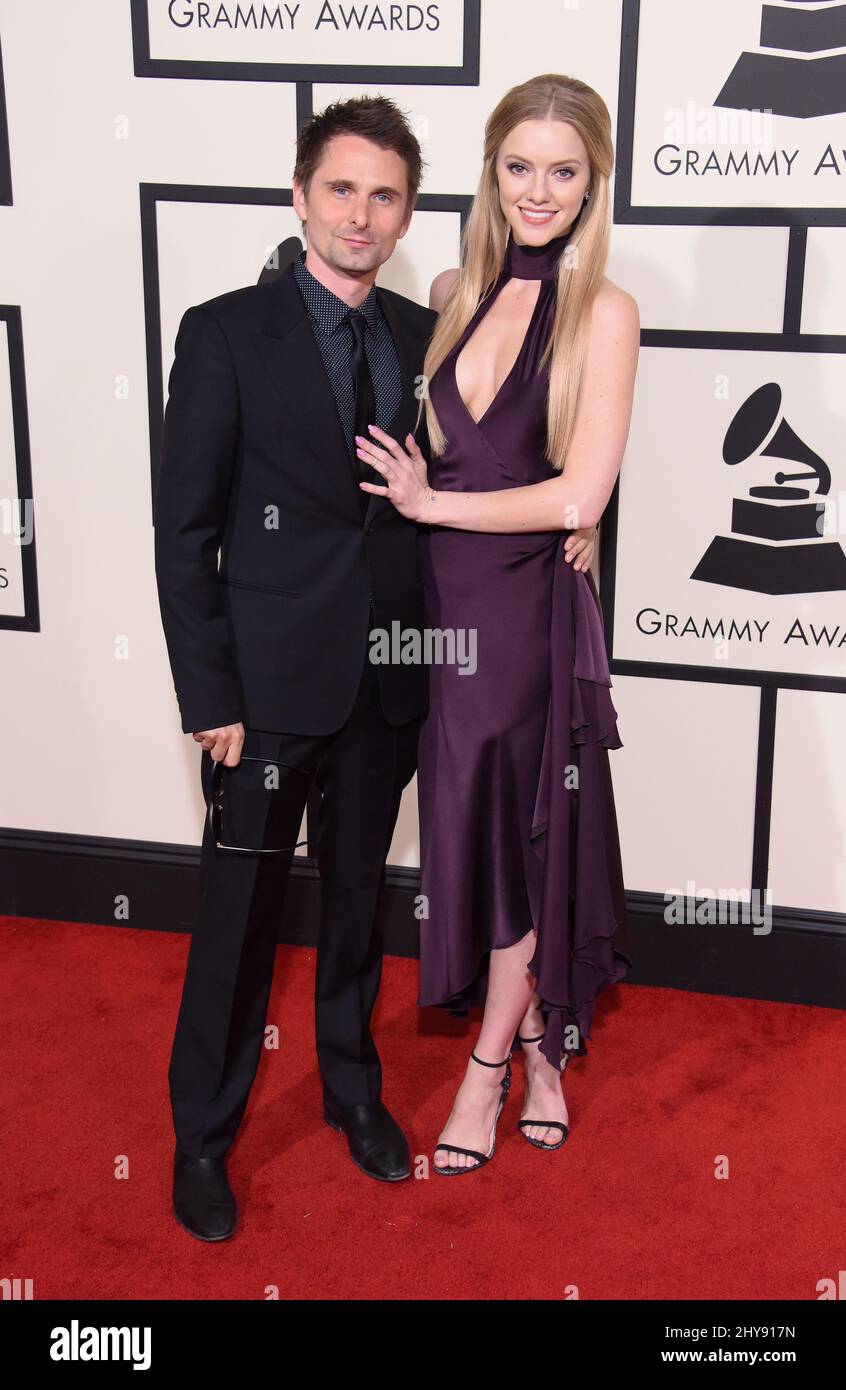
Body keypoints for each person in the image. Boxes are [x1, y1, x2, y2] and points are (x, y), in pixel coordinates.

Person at [154, 95, 438, 1240]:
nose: (360, 214)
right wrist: (211, 692)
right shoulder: (223, 332)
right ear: (299, 196)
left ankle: (353, 1088)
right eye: (341, 189)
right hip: (265, 695)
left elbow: (449, 500)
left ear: (405, 210)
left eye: (384, 195)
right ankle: (203, 1137)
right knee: (239, 918)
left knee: (360, 901)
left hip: (386, 682)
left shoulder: (427, 338)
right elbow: (184, 532)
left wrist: (568, 521)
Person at [354, 73, 639, 1174]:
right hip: (435, 608)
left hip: (521, 612)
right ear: (490, 170)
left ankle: (486, 1072)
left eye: (564, 171)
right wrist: (414, 499)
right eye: (519, 165)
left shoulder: (603, 309)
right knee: (467, 824)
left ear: (593, 183)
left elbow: (582, 494)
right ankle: (541, 1040)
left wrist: (440, 505)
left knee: (518, 833)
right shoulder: (446, 286)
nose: (538, 190)